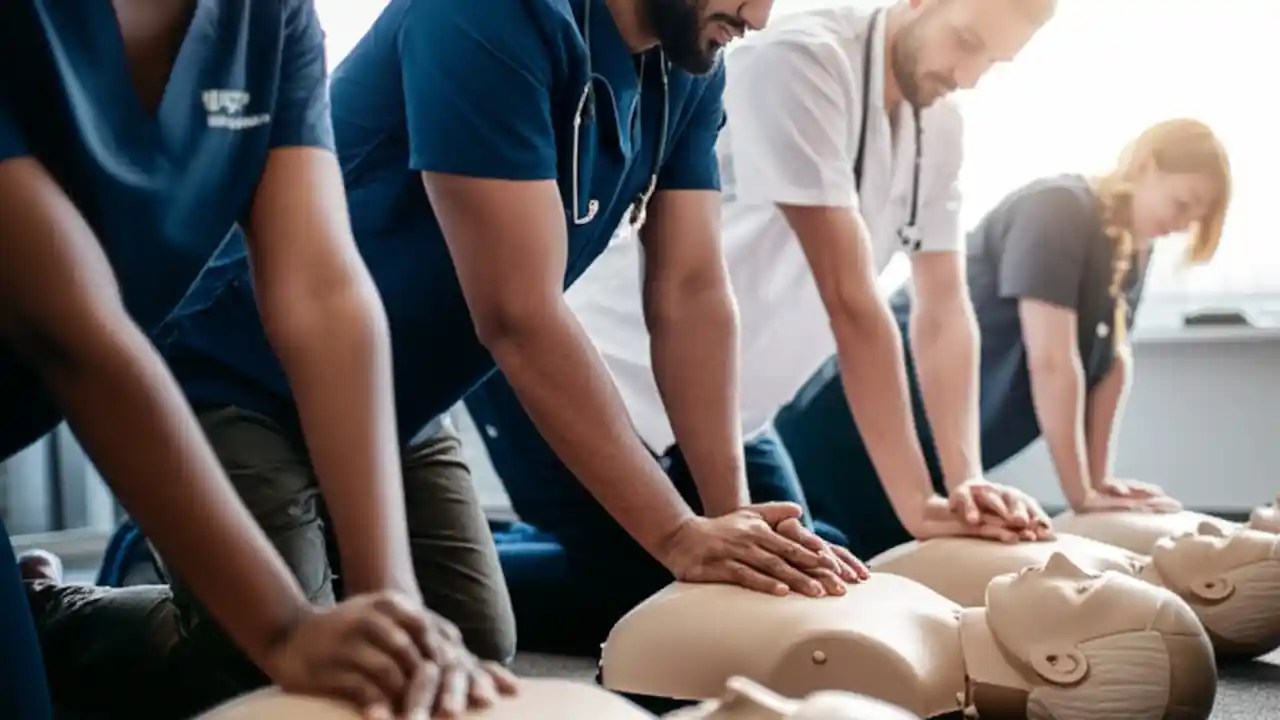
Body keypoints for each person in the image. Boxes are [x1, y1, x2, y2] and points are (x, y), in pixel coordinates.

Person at [122, 0, 860, 678]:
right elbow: (517, 314)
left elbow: (691, 291)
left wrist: (728, 516)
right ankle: (61, 619)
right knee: (286, 665)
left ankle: (246, 566)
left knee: (468, 645)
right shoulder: (488, 14)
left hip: (392, 398)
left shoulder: (686, 66)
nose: (758, 16)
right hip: (237, 367)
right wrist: (675, 534)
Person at [465, 0, 1056, 651]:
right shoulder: (799, 58)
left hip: (723, 418)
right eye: (965, 42)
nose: (967, 75)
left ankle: (499, 535)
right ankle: (438, 560)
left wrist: (964, 479)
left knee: (817, 571)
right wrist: (917, 506)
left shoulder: (938, 125)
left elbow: (943, 308)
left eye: (991, 63)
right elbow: (852, 300)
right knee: (653, 599)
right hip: (593, 370)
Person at [0, 1, 509, 718]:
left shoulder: (267, 19)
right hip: (113, 360)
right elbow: (72, 329)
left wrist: (390, 605)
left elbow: (324, 297)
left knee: (459, 639)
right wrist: (284, 627)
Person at [776, 118, 1233, 558]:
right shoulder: (1059, 209)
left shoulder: (1131, 249)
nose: (1185, 223)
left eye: (1198, 217)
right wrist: (1079, 495)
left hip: (935, 451)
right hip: (855, 424)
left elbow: (1111, 363)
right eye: (1183, 202)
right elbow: (1053, 360)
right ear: (1146, 165)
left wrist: (1098, 482)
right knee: (823, 563)